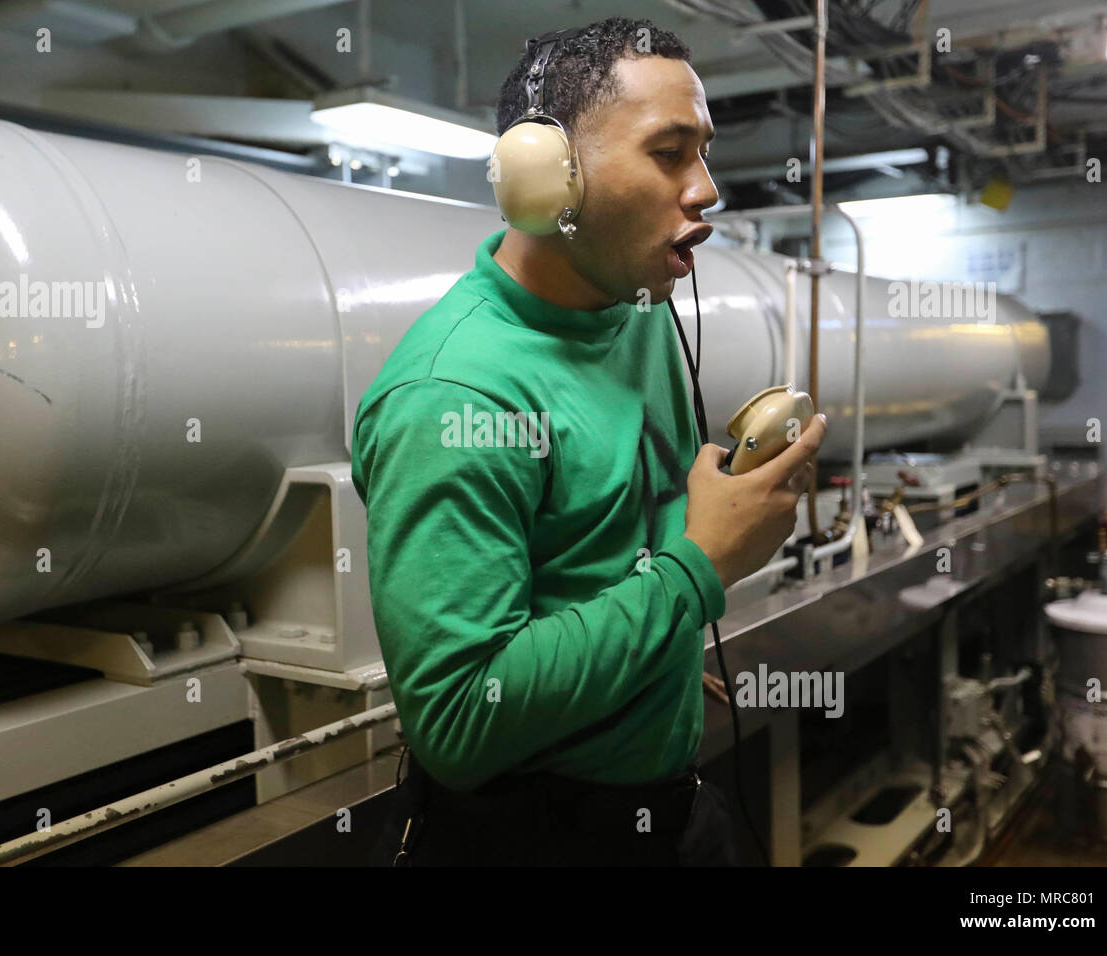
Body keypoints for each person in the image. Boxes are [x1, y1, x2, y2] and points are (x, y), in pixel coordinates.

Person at [350, 15, 825, 866]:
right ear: (548, 180)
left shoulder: (637, 309)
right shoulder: (455, 394)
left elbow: (605, 557)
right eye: (670, 152)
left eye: (704, 151)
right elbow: (459, 718)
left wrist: (652, 670)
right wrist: (697, 574)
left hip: (667, 803)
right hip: (532, 838)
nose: (708, 188)